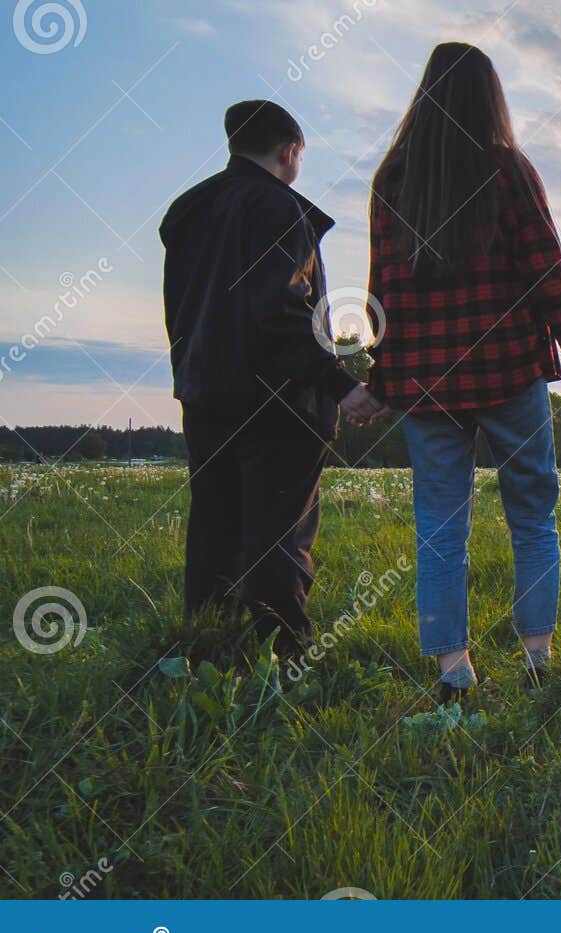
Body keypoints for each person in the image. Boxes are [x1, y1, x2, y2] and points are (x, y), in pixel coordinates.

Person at [364, 43, 561, 702]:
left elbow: (380, 294)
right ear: (489, 97)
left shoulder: (392, 181)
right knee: (533, 517)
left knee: (440, 530)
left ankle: (454, 672)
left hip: (425, 384)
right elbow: (547, 273)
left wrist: (382, 380)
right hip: (507, 372)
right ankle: (536, 659)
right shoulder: (508, 172)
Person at [160, 100, 386, 660]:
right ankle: (287, 660)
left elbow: (182, 311)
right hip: (279, 402)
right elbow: (282, 316)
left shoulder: (188, 211)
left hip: (205, 391)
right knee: (278, 536)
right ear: (289, 152)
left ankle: (208, 650)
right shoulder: (281, 210)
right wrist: (342, 386)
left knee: (213, 528)